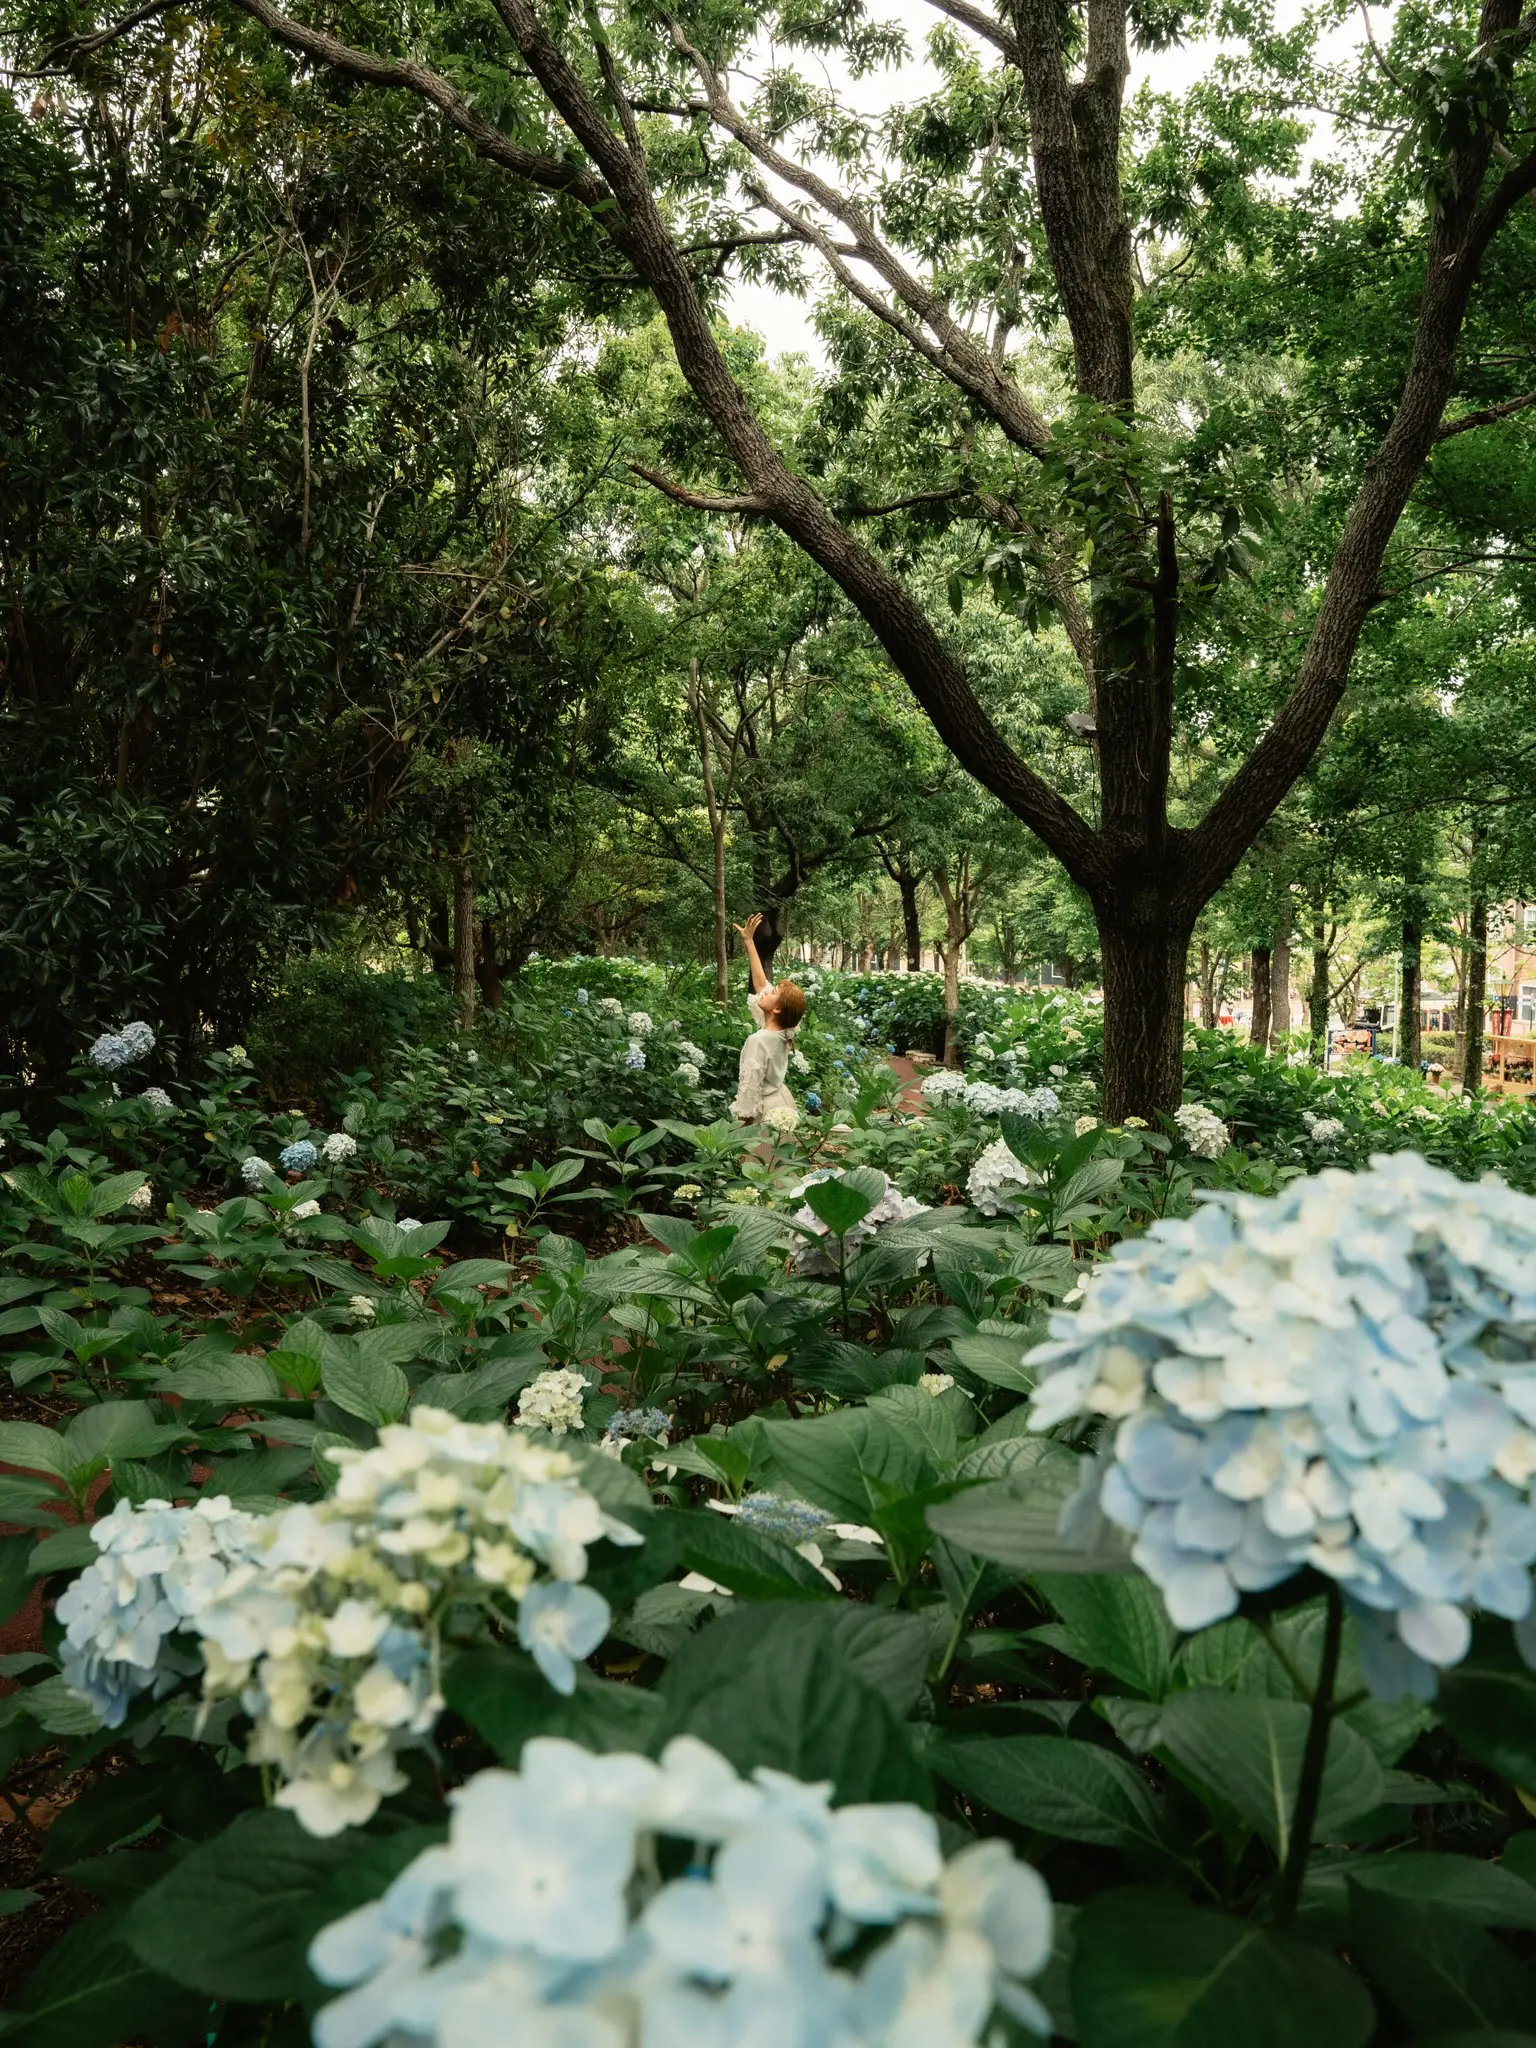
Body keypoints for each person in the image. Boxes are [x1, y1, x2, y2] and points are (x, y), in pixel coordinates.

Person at [731, 913, 807, 1127]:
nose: (767, 990)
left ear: (777, 1009)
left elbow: (748, 1093)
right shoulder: (787, 1027)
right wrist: (749, 941)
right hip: (782, 1102)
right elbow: (760, 982)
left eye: (774, 992)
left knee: (759, 1160)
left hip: (765, 1114)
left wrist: (740, 1133)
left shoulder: (759, 1040)